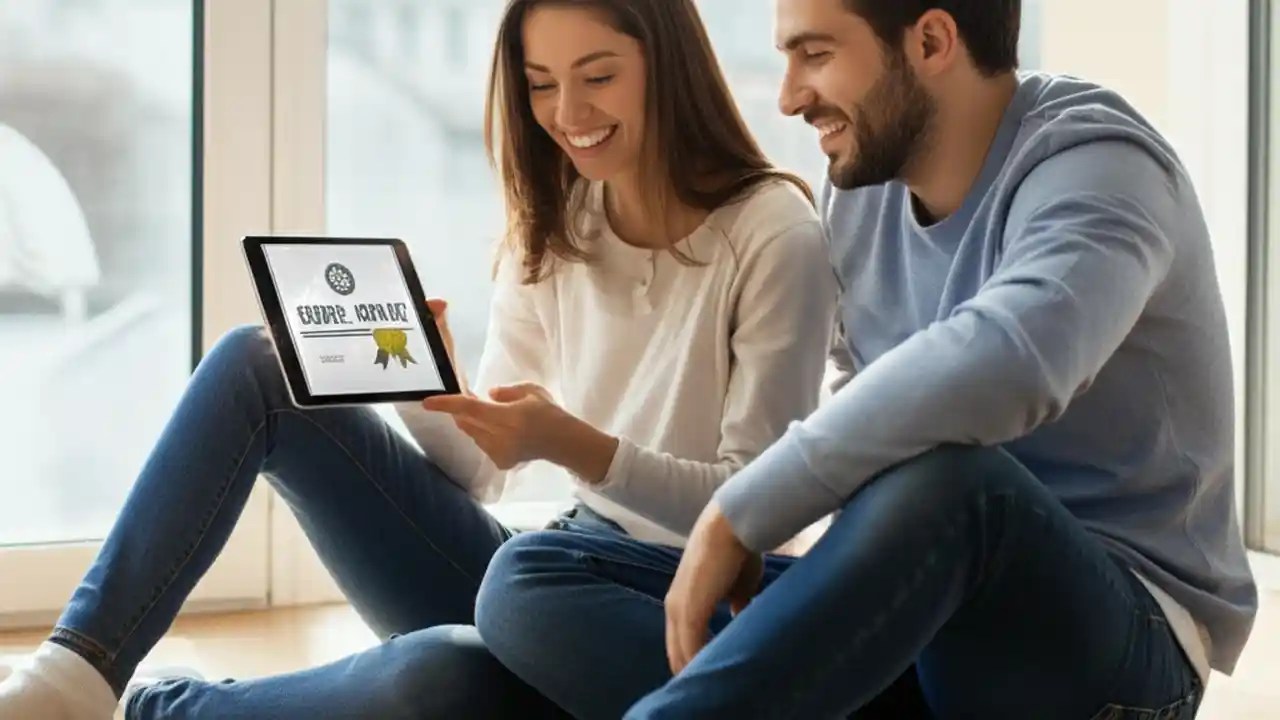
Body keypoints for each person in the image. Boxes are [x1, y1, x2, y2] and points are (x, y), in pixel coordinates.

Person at [0, 0, 836, 718]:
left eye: (599, 75)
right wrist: (426, 383)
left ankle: (161, 709)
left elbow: (749, 509)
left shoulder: (771, 232)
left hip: (679, 604)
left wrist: (569, 443)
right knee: (258, 363)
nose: (568, 111)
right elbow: (481, 475)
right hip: (549, 574)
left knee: (437, 675)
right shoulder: (561, 221)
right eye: (541, 84)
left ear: (669, 66)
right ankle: (75, 674)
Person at [474, 1, 1261, 718]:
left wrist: (741, 509)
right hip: (930, 618)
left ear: (932, 41)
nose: (789, 97)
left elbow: (1011, 362)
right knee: (519, 590)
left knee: (954, 479)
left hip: (1114, 642)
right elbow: (868, 424)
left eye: (815, 55)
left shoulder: (1102, 165)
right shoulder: (860, 194)